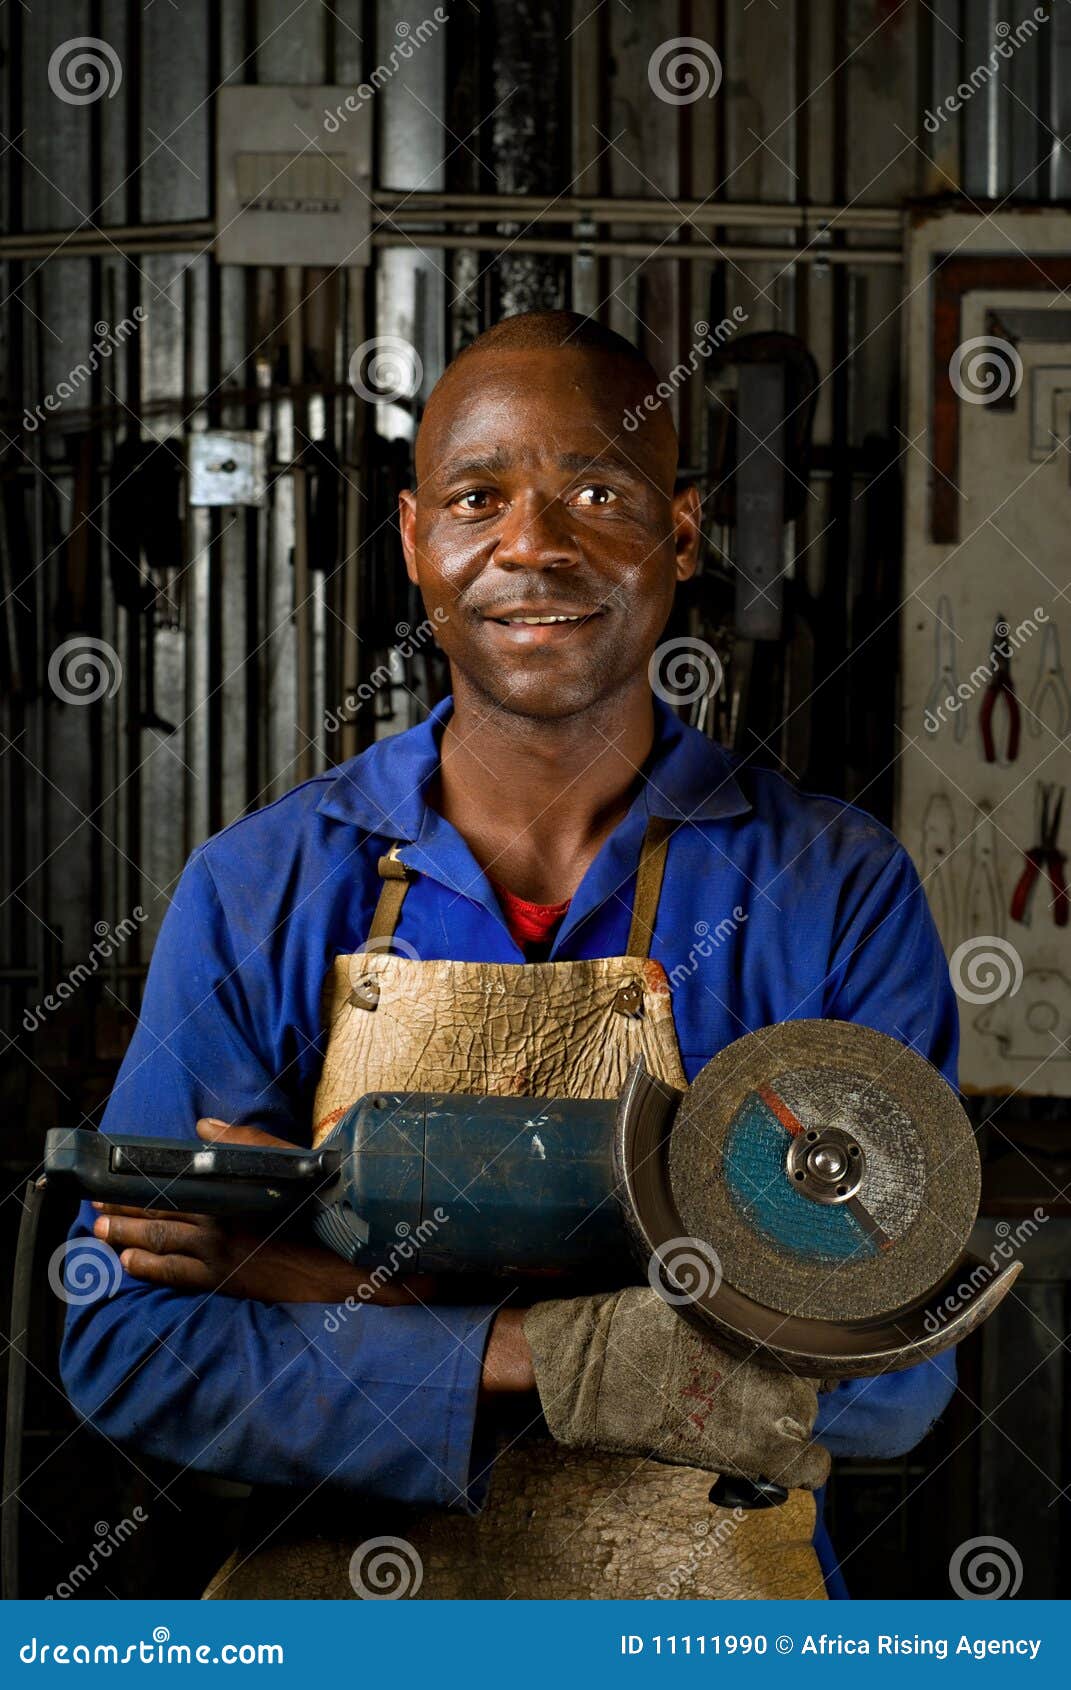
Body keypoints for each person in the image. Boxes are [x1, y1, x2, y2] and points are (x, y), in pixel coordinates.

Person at [61, 312, 958, 1600]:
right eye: (480, 497)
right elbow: (133, 1344)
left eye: (598, 491)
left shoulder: (833, 891)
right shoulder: (258, 888)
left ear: (685, 532)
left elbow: (889, 1374)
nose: (533, 546)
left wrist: (324, 1275)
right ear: (420, 540)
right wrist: (598, 1346)